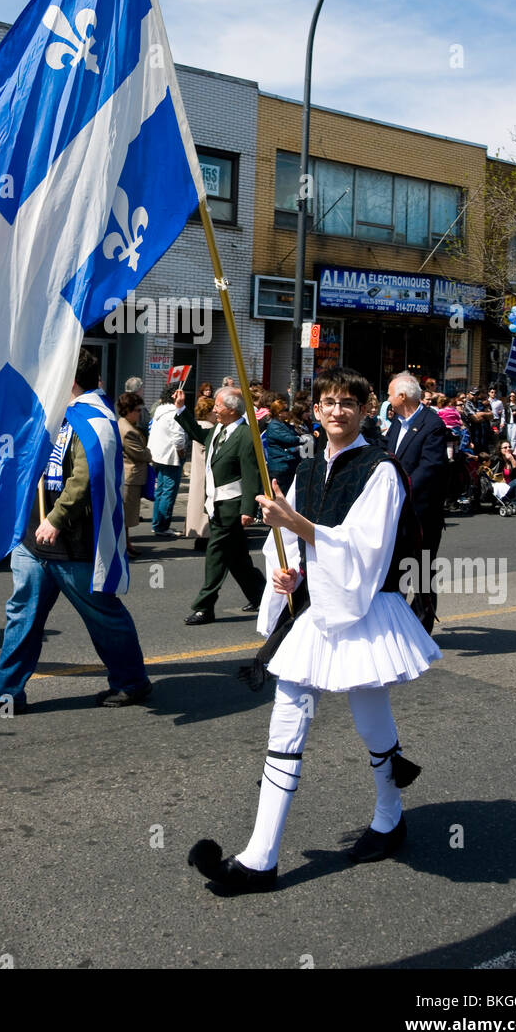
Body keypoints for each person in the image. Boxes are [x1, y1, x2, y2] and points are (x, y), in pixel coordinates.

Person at [187, 367, 441, 895]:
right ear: (316, 410)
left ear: (367, 409)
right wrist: (287, 572)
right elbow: (296, 545)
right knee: (287, 720)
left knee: (371, 717)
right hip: (316, 607)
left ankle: (390, 818)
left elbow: (364, 550)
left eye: (349, 402)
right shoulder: (306, 468)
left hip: (364, 608)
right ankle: (260, 856)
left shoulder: (382, 469)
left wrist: (294, 524)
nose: (337, 410)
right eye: (328, 401)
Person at [0, 349, 151, 717]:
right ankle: (5, 692)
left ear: (68, 379)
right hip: (33, 542)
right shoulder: (49, 413)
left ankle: (132, 681)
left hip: (73, 541)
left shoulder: (93, 420)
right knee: (22, 615)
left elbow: (87, 475)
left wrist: (56, 518)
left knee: (104, 616)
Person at [172, 385, 266, 626]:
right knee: (237, 557)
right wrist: (181, 409)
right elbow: (199, 435)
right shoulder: (219, 430)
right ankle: (261, 595)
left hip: (231, 505)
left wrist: (248, 509)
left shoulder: (246, 435)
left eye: (219, 405)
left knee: (216, 554)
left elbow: (252, 473)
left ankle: (205, 606)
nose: (214, 408)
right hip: (216, 502)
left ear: (232, 410)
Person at [385, 372, 449, 632]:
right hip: (394, 512)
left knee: (421, 571)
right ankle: (394, 621)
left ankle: (422, 627)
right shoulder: (396, 423)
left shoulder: (432, 423)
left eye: (389, 394)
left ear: (402, 396)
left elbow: (431, 467)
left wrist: (401, 489)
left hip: (421, 513)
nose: (387, 399)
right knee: (394, 568)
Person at [117, 391, 152, 557]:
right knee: (126, 515)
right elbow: (140, 454)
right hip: (130, 476)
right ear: (128, 410)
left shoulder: (125, 425)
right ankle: (124, 545)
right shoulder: (127, 430)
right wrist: (149, 453)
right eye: (137, 410)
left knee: (127, 515)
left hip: (131, 475)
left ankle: (126, 543)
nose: (139, 413)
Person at [149, 386, 187, 535]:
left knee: (160, 491)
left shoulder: (160, 409)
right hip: (171, 457)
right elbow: (179, 438)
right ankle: (162, 526)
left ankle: (157, 523)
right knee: (168, 492)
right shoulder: (174, 413)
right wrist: (182, 454)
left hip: (157, 455)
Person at [184, 394, 215, 545]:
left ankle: (198, 533)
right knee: (204, 503)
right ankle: (205, 535)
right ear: (208, 412)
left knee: (197, 502)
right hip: (206, 471)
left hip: (198, 469)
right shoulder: (209, 428)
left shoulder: (199, 425)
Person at [265, 399, 304, 494]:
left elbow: (296, 433)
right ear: (279, 413)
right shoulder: (274, 426)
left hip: (289, 465)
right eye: (286, 410)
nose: (288, 412)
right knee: (279, 495)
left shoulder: (285, 424)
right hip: (279, 467)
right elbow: (289, 439)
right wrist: (302, 439)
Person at [491, 439, 516, 511]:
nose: (508, 449)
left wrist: (512, 460)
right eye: (505, 447)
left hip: (510, 486)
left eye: (509, 447)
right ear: (500, 449)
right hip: (499, 487)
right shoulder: (495, 459)